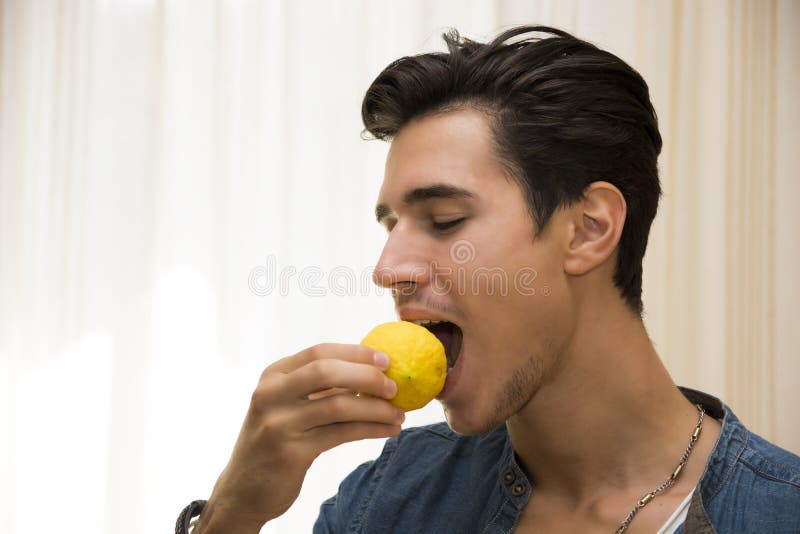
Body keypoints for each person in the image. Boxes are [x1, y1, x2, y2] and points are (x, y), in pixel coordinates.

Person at [177, 26, 800, 534]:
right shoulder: (387, 500)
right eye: (392, 224)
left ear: (587, 228)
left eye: (444, 220)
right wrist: (234, 513)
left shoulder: (779, 513)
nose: (387, 269)